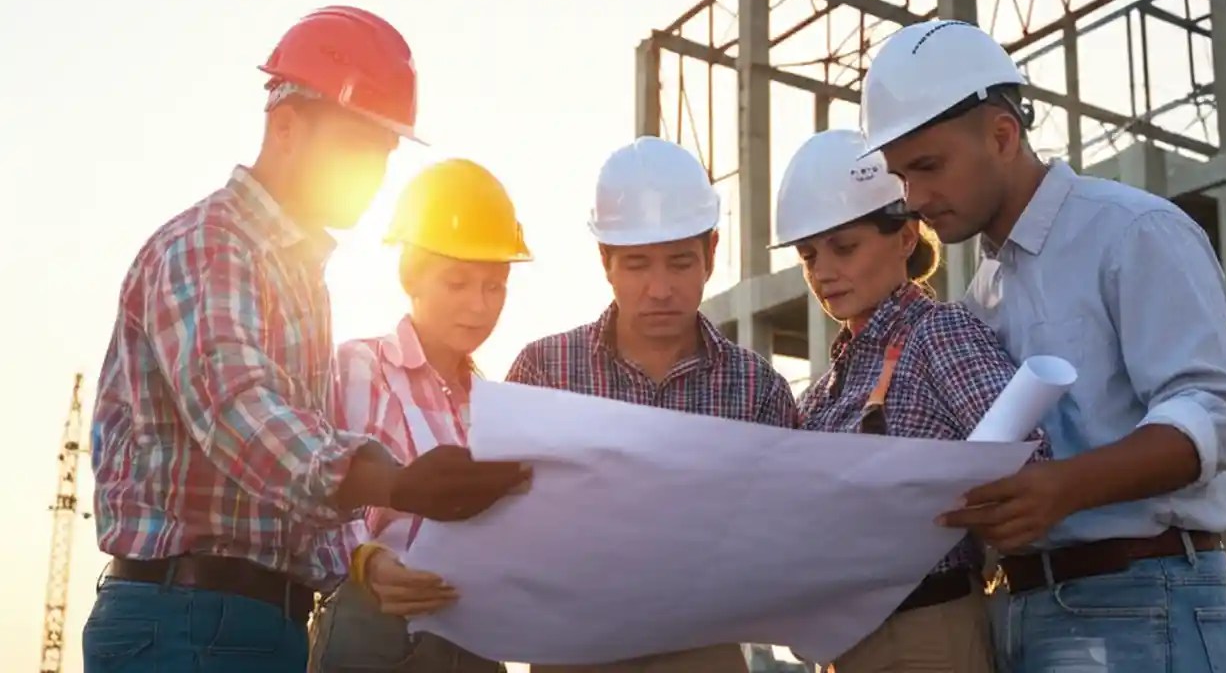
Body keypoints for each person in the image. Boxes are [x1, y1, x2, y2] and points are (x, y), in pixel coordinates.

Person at [84, 7, 529, 673]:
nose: (372, 177)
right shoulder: (209, 247)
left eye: (381, 158)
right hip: (183, 616)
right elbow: (238, 409)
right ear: (286, 128)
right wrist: (397, 483)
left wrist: (362, 557)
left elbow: (290, 500)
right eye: (354, 148)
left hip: (265, 620)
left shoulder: (303, 282)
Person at [859, 18, 1226, 673]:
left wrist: (1064, 488)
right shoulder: (981, 294)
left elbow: (1211, 416)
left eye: (929, 167)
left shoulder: (1133, 232)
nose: (916, 199)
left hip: (1145, 597)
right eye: (902, 177)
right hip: (1025, 609)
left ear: (1003, 135)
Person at [506, 136, 800, 673]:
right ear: (606, 261)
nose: (660, 288)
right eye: (638, 265)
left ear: (711, 254)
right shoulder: (543, 374)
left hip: (705, 652)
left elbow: (787, 537)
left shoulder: (757, 389)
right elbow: (505, 526)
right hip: (574, 650)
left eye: (680, 262)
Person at [773, 128, 1049, 672]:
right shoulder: (827, 390)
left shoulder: (936, 334)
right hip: (844, 642)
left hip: (927, 630)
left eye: (844, 247)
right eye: (809, 256)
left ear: (904, 238)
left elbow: (1028, 466)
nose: (824, 272)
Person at [307, 158, 531, 673]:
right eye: (458, 282)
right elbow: (319, 494)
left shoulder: (494, 406)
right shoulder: (363, 367)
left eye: (494, 285)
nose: (479, 305)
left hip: (475, 643)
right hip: (378, 633)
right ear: (412, 276)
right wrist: (367, 561)